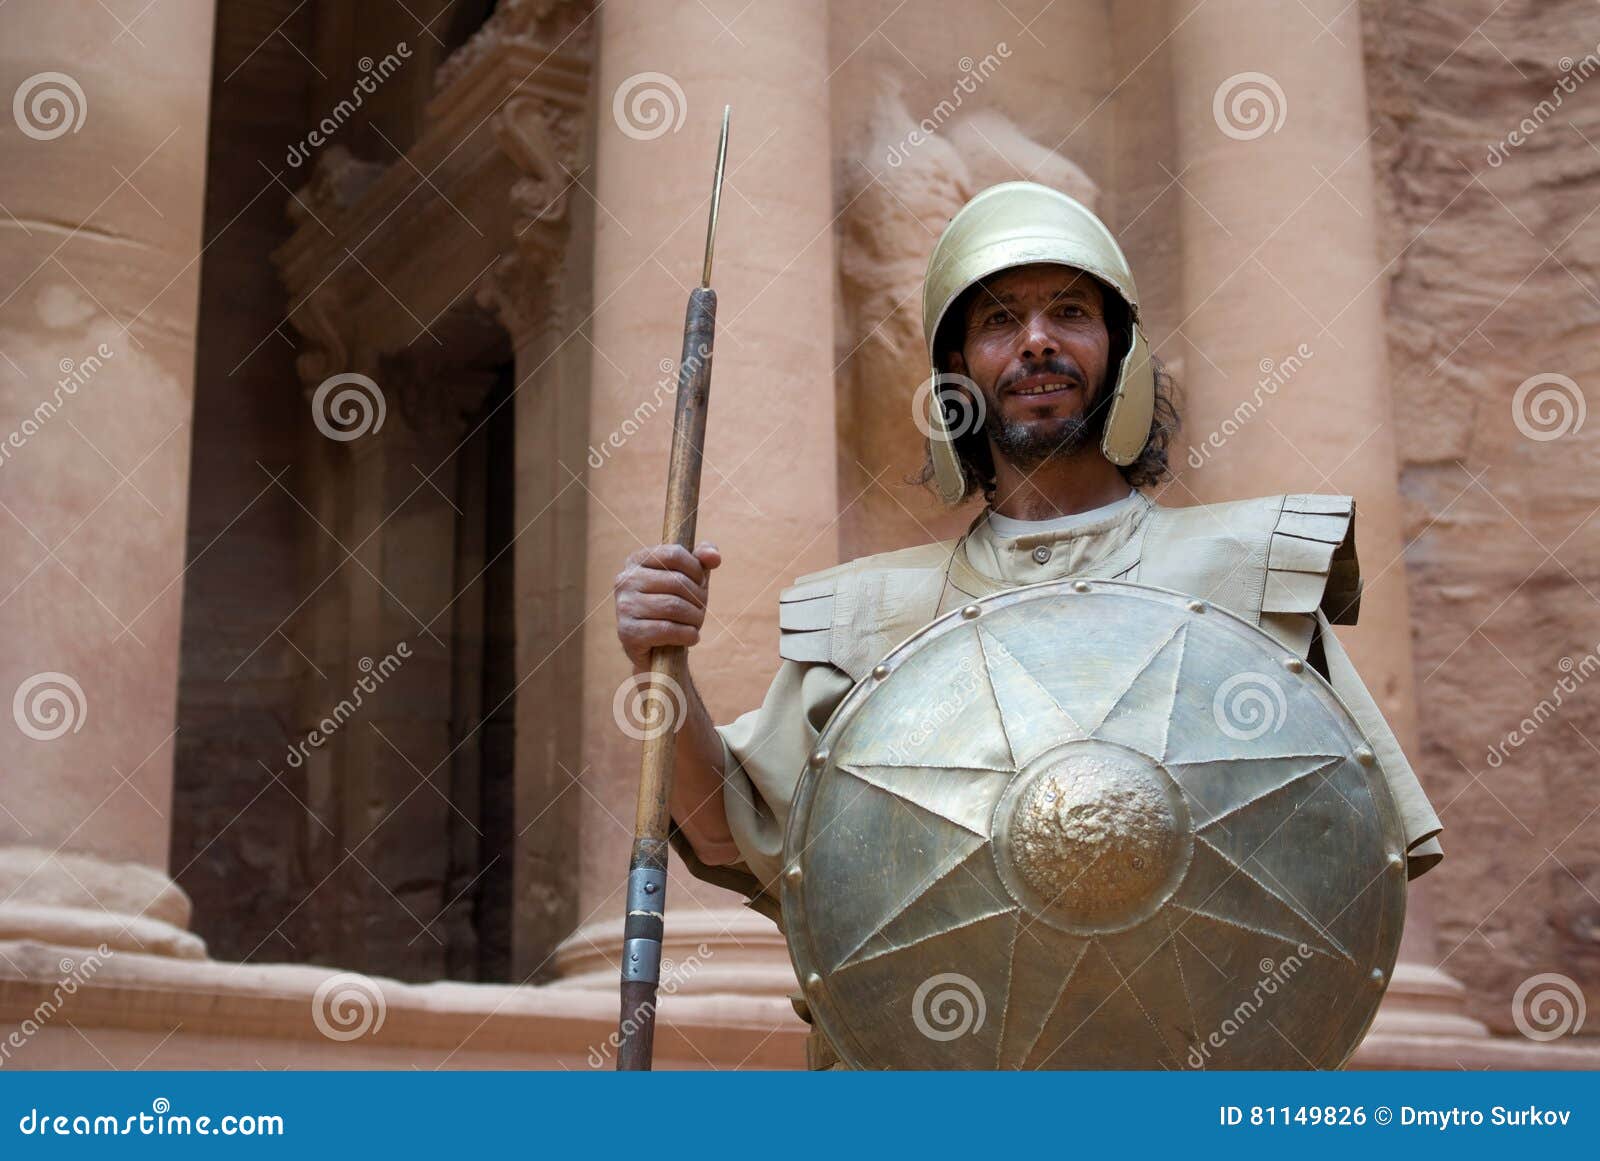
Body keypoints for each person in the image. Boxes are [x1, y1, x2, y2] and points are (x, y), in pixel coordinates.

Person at [611, 182, 1442, 1062]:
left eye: (1070, 312)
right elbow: (729, 831)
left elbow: (1345, 856)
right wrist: (660, 667)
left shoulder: (1250, 573)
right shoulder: (869, 617)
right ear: (957, 371)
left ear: (1120, 350)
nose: (1037, 341)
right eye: (1001, 319)